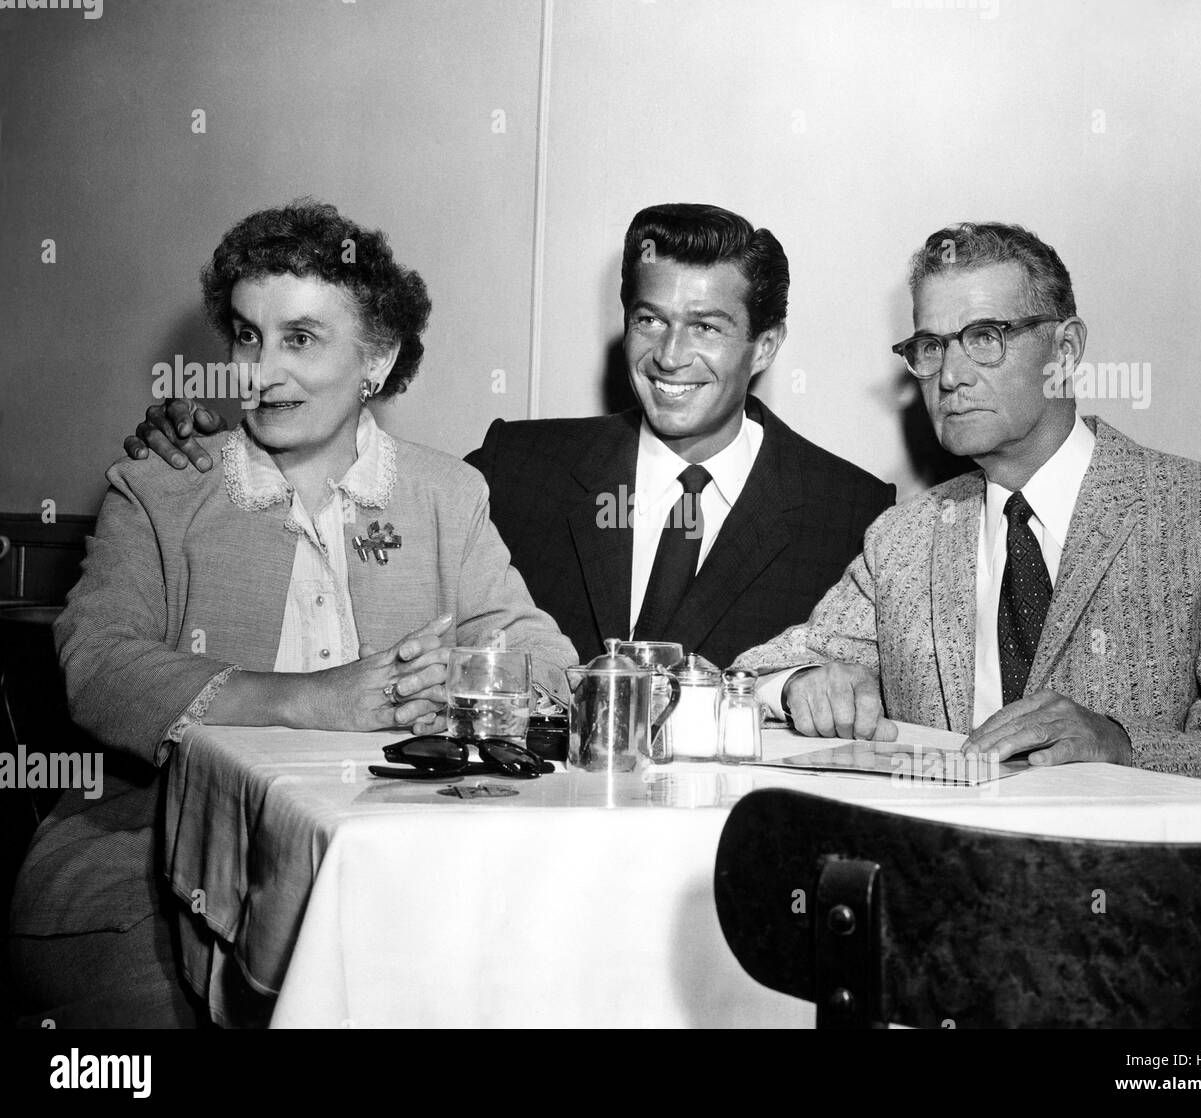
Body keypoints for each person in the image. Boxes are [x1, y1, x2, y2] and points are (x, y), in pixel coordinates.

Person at [9, 200, 578, 1027]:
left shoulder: (446, 496)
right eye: (247, 336)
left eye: (301, 339)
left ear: (376, 360)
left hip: (391, 864)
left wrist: (460, 677)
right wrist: (315, 698)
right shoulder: (161, 485)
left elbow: (545, 659)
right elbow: (96, 666)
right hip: (149, 864)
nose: (260, 373)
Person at [126, 204, 896, 667]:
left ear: (764, 347)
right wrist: (223, 439)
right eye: (649, 320)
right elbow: (348, 483)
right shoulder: (515, 468)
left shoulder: (852, 515)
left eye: (707, 327)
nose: (668, 355)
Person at [735, 222, 1201, 795]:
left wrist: (1121, 745)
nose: (950, 377)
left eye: (984, 337)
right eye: (931, 347)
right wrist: (798, 684)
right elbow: (745, 678)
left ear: (1066, 349)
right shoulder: (903, 539)